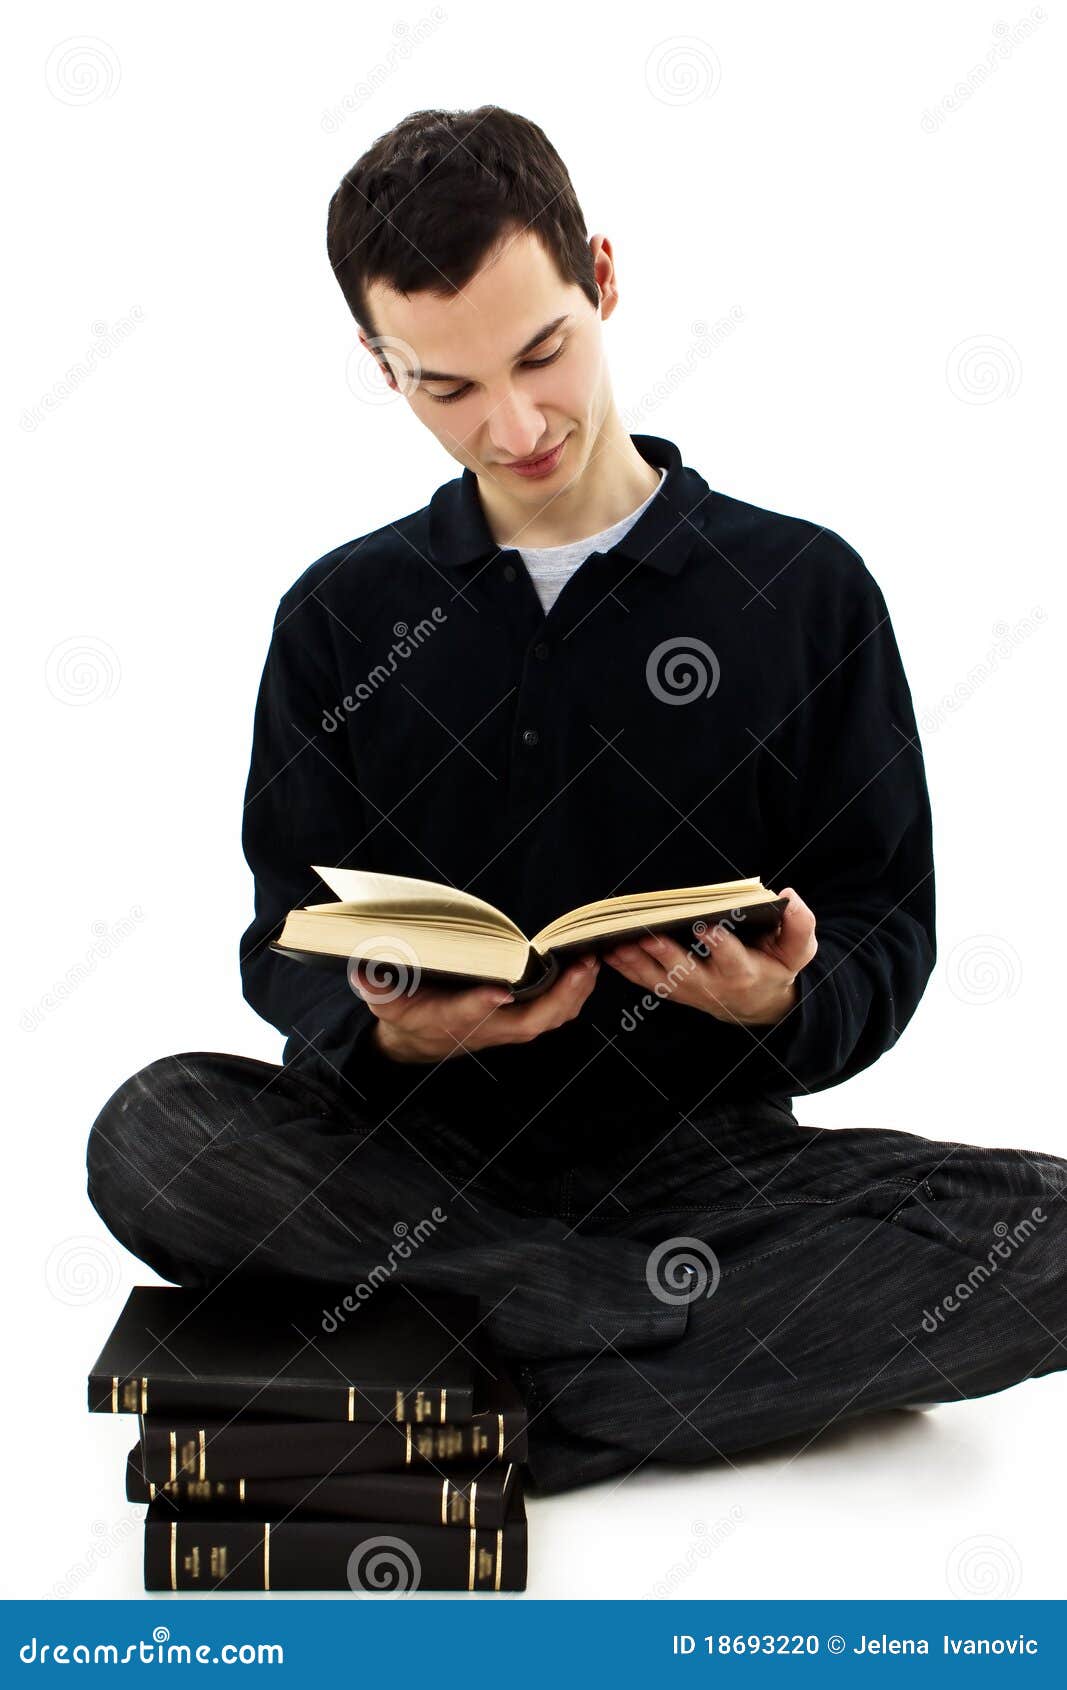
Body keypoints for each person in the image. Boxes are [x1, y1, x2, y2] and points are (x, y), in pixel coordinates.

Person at [86, 106, 1067, 1495]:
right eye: (446, 387)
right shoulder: (342, 615)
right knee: (150, 1129)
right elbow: (284, 935)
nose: (515, 421)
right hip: (410, 1177)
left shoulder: (804, 589)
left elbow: (881, 921)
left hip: (708, 1176)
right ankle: (634, 1341)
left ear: (599, 275)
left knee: (1050, 1236)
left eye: (543, 351)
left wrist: (782, 998)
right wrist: (395, 1034)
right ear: (381, 365)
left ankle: (465, 1400)